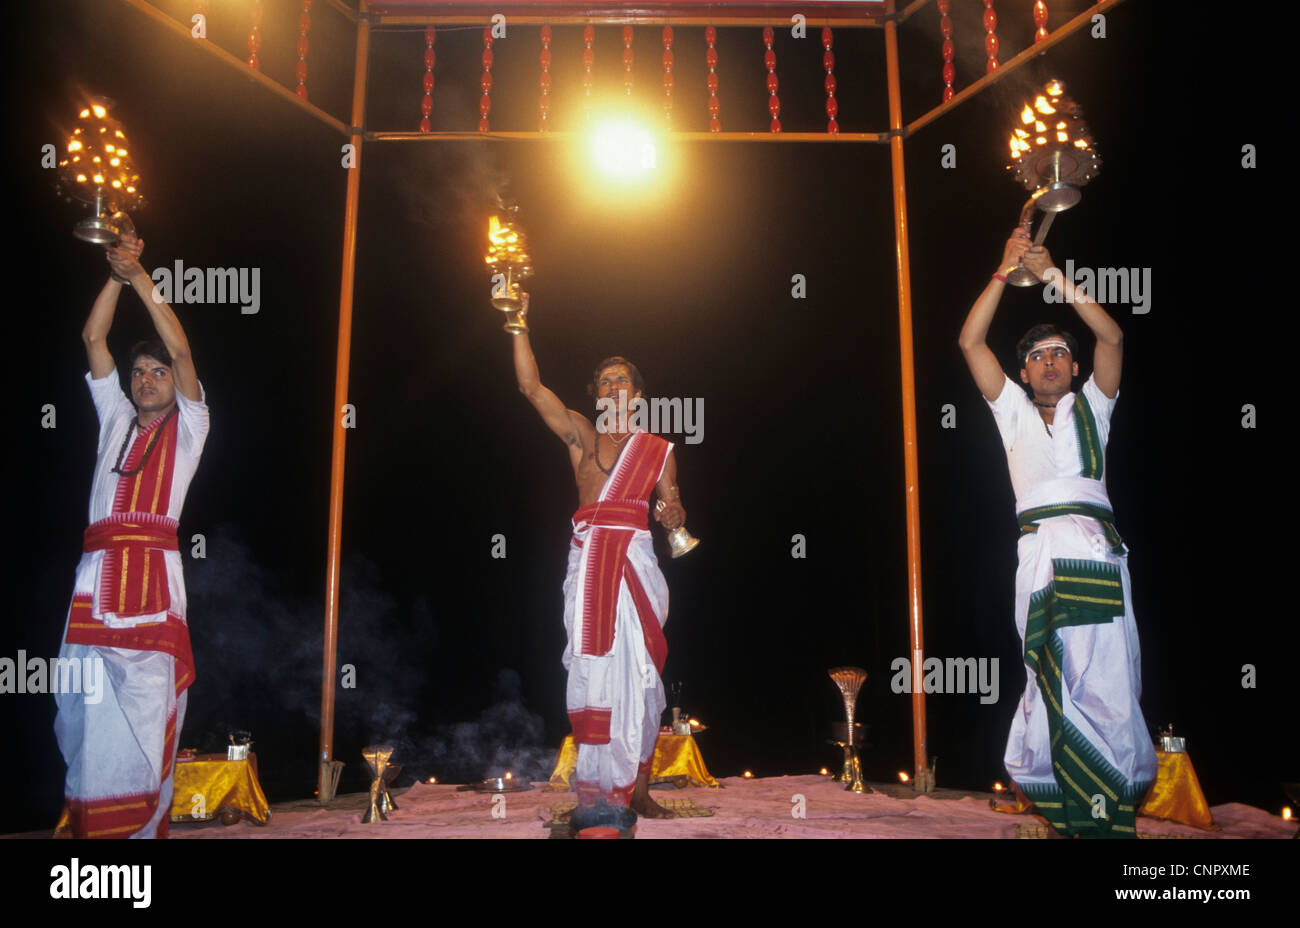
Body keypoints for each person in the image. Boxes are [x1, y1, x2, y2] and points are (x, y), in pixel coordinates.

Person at [958, 230, 1156, 837]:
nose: (1050, 361)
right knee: (1049, 677)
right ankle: (1064, 806)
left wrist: (1053, 276)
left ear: (1073, 367)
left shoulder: (1095, 406)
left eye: (1059, 353)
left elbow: (1113, 335)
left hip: (1096, 555)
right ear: (1023, 371)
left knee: (1109, 684)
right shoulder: (1011, 411)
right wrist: (1002, 269)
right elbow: (970, 341)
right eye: (1038, 355)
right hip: (1040, 559)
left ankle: (1108, 809)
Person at [508, 293, 686, 834]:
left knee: (642, 678)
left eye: (621, 380)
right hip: (590, 566)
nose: (612, 387)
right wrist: (517, 323)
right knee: (596, 674)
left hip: (636, 563)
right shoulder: (581, 435)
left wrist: (673, 512)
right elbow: (530, 389)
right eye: (604, 381)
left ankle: (638, 789)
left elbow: (673, 509)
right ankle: (596, 794)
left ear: (639, 393)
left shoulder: (657, 448)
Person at [53, 232, 209, 838]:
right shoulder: (115, 418)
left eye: (157, 373)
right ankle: (97, 842)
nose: (146, 379)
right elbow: (94, 338)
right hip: (94, 586)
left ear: (174, 384)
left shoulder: (192, 427)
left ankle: (142, 839)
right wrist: (113, 277)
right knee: (87, 714)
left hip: (152, 587)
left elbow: (183, 348)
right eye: (139, 372)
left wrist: (141, 276)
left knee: (146, 716)